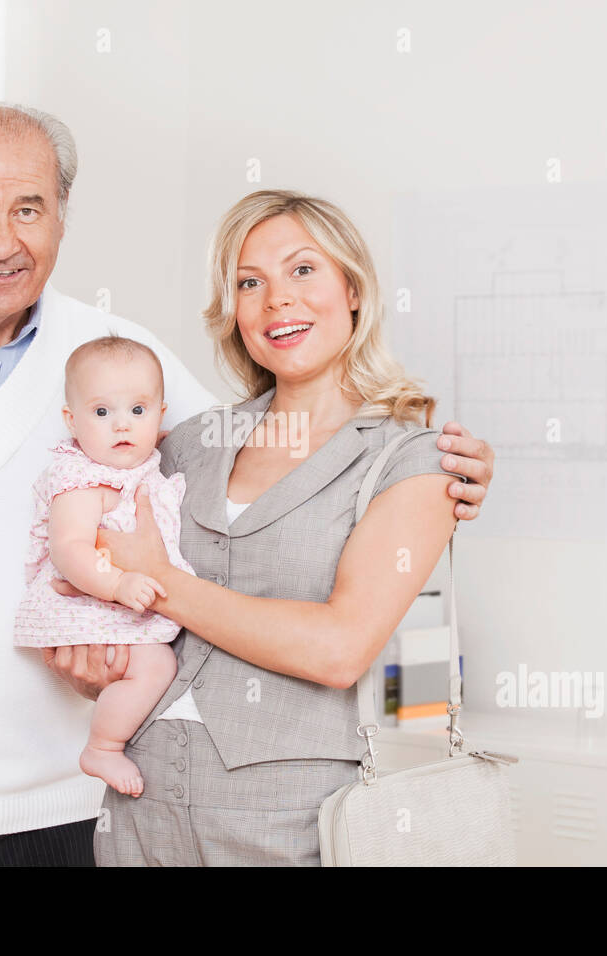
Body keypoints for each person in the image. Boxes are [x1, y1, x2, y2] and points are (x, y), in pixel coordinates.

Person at [0, 102, 495, 867]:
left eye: (29, 208)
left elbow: (284, 441)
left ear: (61, 218)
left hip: (71, 810)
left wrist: (445, 463)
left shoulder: (122, 357)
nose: (2, 240)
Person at [86, 190, 461, 865]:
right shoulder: (187, 444)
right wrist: (89, 647)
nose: (276, 301)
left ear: (352, 287)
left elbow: (339, 649)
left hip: (290, 821)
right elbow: (106, 587)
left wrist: (161, 582)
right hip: (138, 803)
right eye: (248, 283)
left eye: (303, 270)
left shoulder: (411, 458)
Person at [14, 335, 195, 798]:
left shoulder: (142, 468)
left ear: (161, 414)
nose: (121, 425)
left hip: (121, 596)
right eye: (102, 412)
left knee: (158, 665)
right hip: (90, 599)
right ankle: (104, 746)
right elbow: (69, 549)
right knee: (154, 667)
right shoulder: (80, 477)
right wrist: (117, 583)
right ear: (72, 422)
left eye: (138, 411)